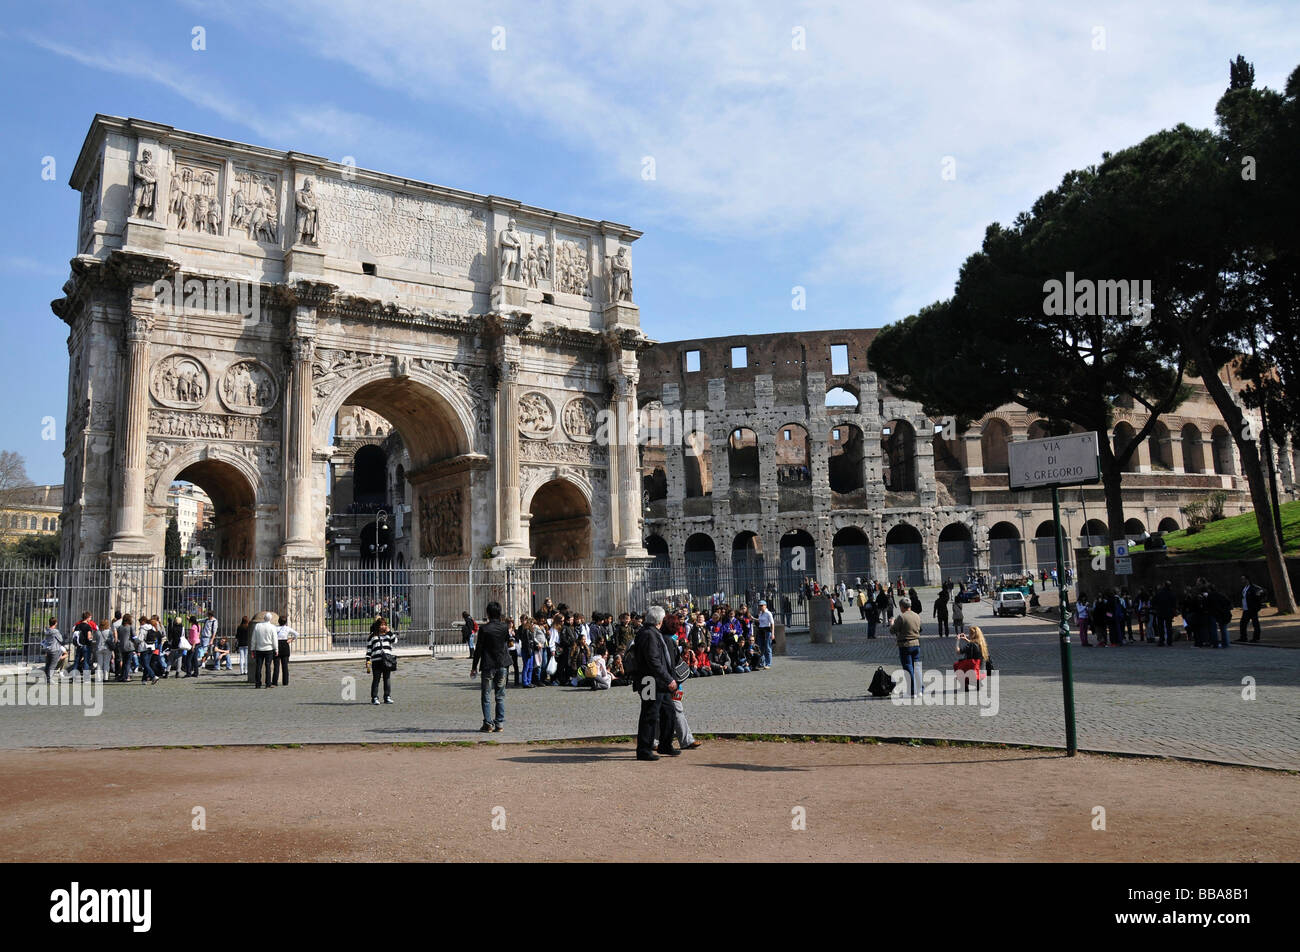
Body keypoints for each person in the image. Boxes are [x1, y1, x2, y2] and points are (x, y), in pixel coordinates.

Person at [632, 606, 677, 762]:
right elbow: (654, 661)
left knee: (669, 712)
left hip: (658, 682)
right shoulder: (649, 634)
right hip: (649, 681)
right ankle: (644, 749)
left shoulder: (652, 633)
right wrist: (669, 679)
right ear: (659, 620)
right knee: (649, 715)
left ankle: (665, 744)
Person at [470, 601, 511, 732]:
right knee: (500, 695)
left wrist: (474, 666)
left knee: (486, 695)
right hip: (502, 664)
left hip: (488, 664)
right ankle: (499, 723)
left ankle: (488, 723)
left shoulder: (484, 629)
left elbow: (479, 649)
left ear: (488, 613)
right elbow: (506, 642)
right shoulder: (504, 627)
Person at [891, 597, 923, 698]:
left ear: (902, 606)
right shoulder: (917, 616)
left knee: (908, 668)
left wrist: (892, 623)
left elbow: (893, 630)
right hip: (916, 644)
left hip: (905, 645)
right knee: (917, 668)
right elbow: (919, 629)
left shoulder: (902, 617)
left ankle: (912, 691)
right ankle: (920, 690)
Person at [365, 615, 396, 704]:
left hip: (387, 660)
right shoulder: (372, 636)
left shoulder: (388, 635)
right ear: (377, 626)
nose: (383, 626)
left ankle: (387, 696)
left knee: (387, 679)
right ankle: (374, 697)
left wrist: (389, 632)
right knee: (376, 679)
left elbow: (395, 640)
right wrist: (367, 660)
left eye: (384, 625)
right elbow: (369, 650)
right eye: (381, 625)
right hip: (376, 660)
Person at [250, 611, 278, 688]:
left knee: (258, 666)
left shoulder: (257, 626)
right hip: (269, 649)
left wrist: (252, 649)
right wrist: (276, 649)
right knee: (268, 666)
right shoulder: (272, 627)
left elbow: (254, 638)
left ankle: (258, 683)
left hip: (259, 648)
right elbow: (274, 639)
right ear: (270, 619)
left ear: (264, 618)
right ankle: (268, 683)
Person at [1237, 575, 1264, 643]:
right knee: (1243, 623)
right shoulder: (1245, 588)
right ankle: (1243, 637)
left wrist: (1257, 604)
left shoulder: (1254, 587)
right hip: (1246, 609)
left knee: (1255, 623)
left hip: (1252, 609)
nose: (1242, 581)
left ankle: (1256, 638)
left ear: (1247, 579)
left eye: (1243, 579)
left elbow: (1262, 592)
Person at [40, 618, 64, 683]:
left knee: (48, 664)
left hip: (48, 649)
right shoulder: (55, 631)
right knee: (53, 665)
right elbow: (61, 639)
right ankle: (49, 679)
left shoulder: (47, 631)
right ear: (55, 623)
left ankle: (46, 678)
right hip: (54, 649)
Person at [755, 599, 774, 669]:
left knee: (767, 647)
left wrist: (772, 634)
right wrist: (753, 618)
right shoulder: (761, 613)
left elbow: (772, 623)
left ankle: (768, 663)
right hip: (761, 630)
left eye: (762, 605)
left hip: (767, 631)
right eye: (760, 606)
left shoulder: (768, 613)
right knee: (760, 647)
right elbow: (760, 620)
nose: (760, 607)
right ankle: (762, 663)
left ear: (765, 606)